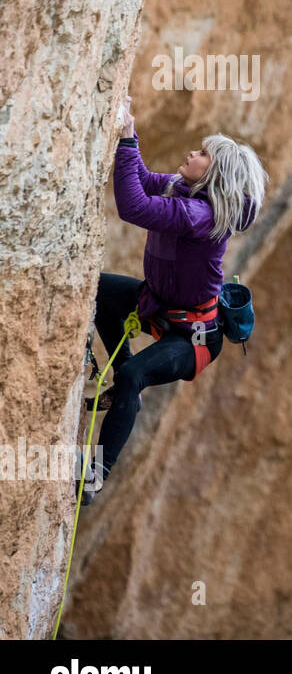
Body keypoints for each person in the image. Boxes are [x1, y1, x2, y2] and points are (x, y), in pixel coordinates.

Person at [79, 95, 267, 504]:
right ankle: (125, 383)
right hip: (159, 303)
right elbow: (142, 178)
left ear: (213, 175)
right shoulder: (182, 189)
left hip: (194, 336)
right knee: (95, 291)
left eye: (201, 153)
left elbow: (133, 207)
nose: (192, 153)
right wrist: (128, 127)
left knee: (132, 378)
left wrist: (127, 139)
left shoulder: (200, 217)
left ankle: (96, 473)